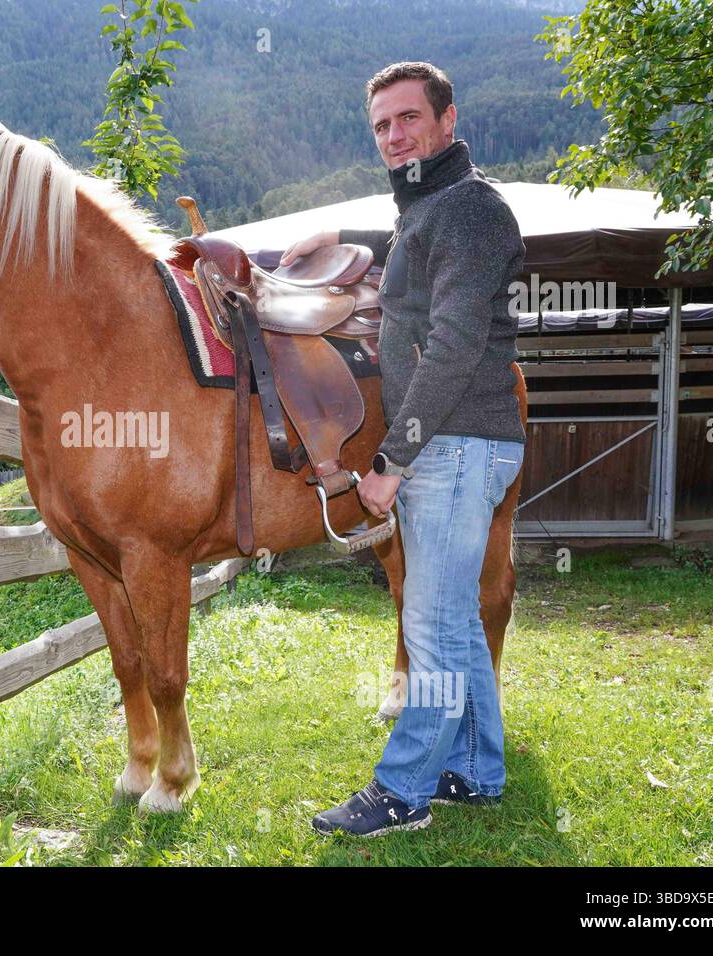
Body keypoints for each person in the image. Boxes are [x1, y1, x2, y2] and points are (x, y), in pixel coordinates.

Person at [281, 62, 528, 837]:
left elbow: (452, 346)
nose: (394, 135)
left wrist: (392, 461)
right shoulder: (430, 210)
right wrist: (344, 235)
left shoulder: (471, 211)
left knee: (430, 624)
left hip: (457, 444)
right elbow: (419, 266)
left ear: (448, 121)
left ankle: (403, 789)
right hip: (459, 444)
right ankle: (478, 773)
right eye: (382, 124)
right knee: (452, 621)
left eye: (409, 119)